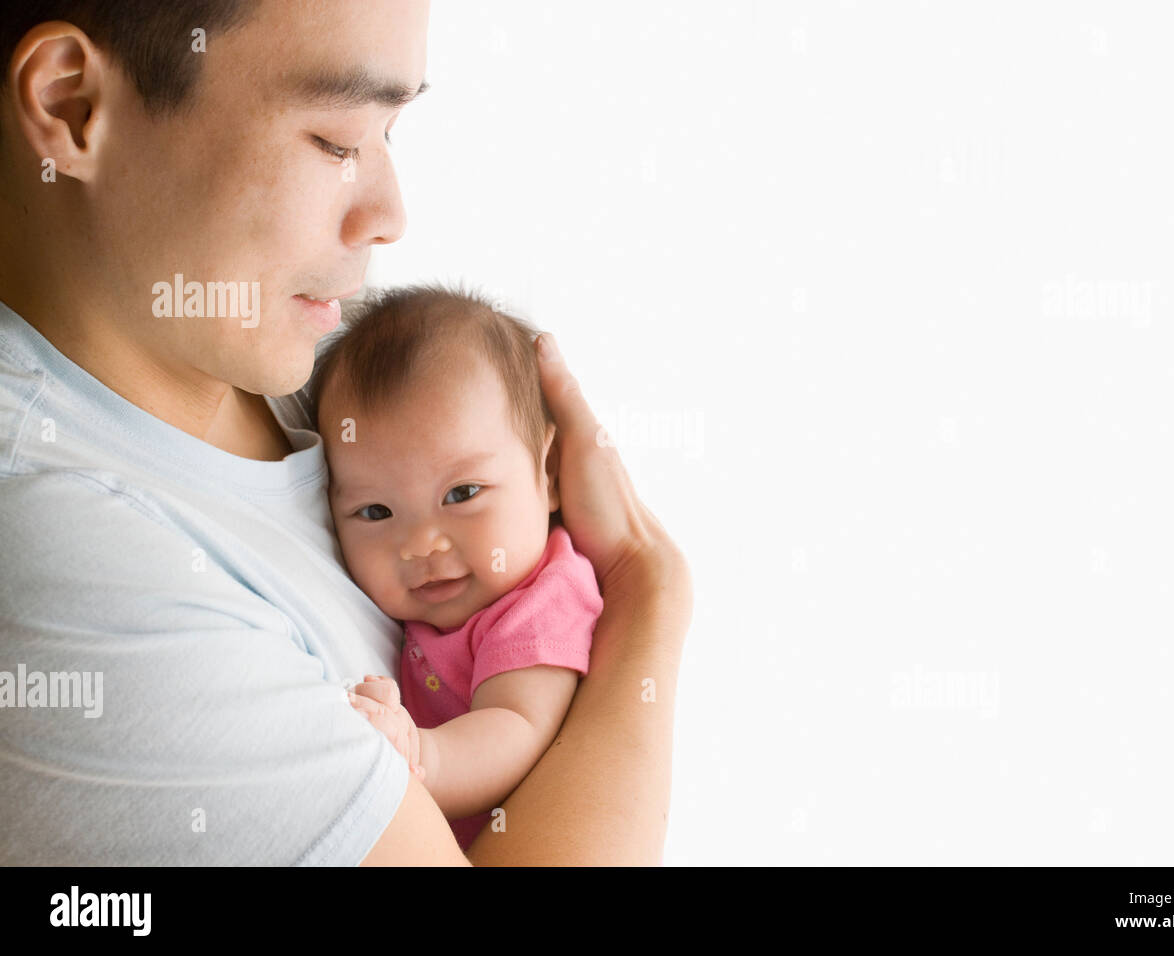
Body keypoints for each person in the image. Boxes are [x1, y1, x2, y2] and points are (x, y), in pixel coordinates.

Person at [0, 0, 691, 865]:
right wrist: (646, 587)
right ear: (72, 106)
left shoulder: (302, 363)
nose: (391, 213)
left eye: (392, 133)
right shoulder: (72, 564)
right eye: (336, 141)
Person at [315, 285, 604, 853]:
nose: (420, 543)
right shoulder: (423, 603)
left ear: (547, 472)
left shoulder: (545, 597)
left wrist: (420, 755)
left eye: (462, 493)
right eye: (375, 511)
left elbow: (516, 727)